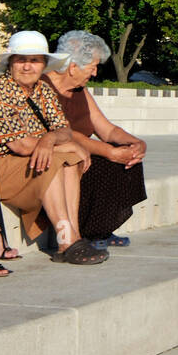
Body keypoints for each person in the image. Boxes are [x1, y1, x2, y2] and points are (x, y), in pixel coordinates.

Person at [0, 31, 106, 265]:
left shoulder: (43, 90)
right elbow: (20, 145)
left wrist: (50, 139)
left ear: (43, 64)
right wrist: (59, 145)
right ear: (10, 63)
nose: (27, 66)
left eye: (34, 60)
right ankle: (66, 241)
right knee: (58, 158)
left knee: (68, 156)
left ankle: (74, 236)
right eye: (21, 59)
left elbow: (64, 129)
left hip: (27, 159)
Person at [43, 31, 148, 250]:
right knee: (103, 161)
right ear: (73, 67)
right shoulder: (44, 87)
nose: (95, 72)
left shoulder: (80, 89)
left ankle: (103, 229)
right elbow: (67, 132)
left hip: (83, 148)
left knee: (127, 156)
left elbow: (107, 130)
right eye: (92, 66)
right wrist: (109, 152)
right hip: (63, 153)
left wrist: (135, 143)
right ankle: (86, 232)